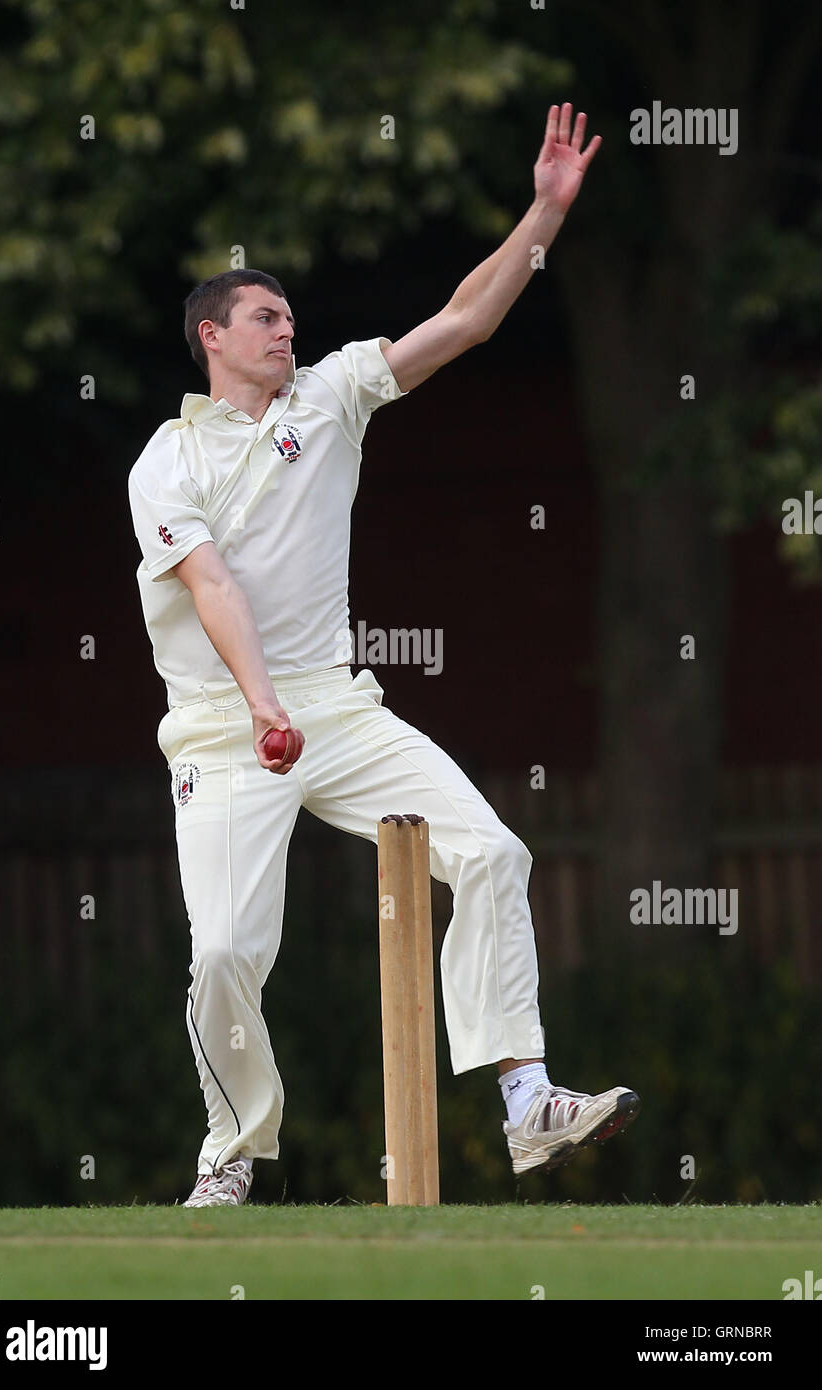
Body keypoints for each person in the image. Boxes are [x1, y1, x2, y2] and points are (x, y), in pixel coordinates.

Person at [128, 103, 638, 1207]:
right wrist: (261, 709)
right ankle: (233, 1150)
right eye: (263, 319)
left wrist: (541, 217)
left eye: (289, 318)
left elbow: (460, 321)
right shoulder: (166, 458)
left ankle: (525, 1097)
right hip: (224, 728)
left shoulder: (334, 393)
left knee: (493, 852)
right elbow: (210, 584)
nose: (284, 333)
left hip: (338, 709)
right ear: (210, 334)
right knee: (222, 953)